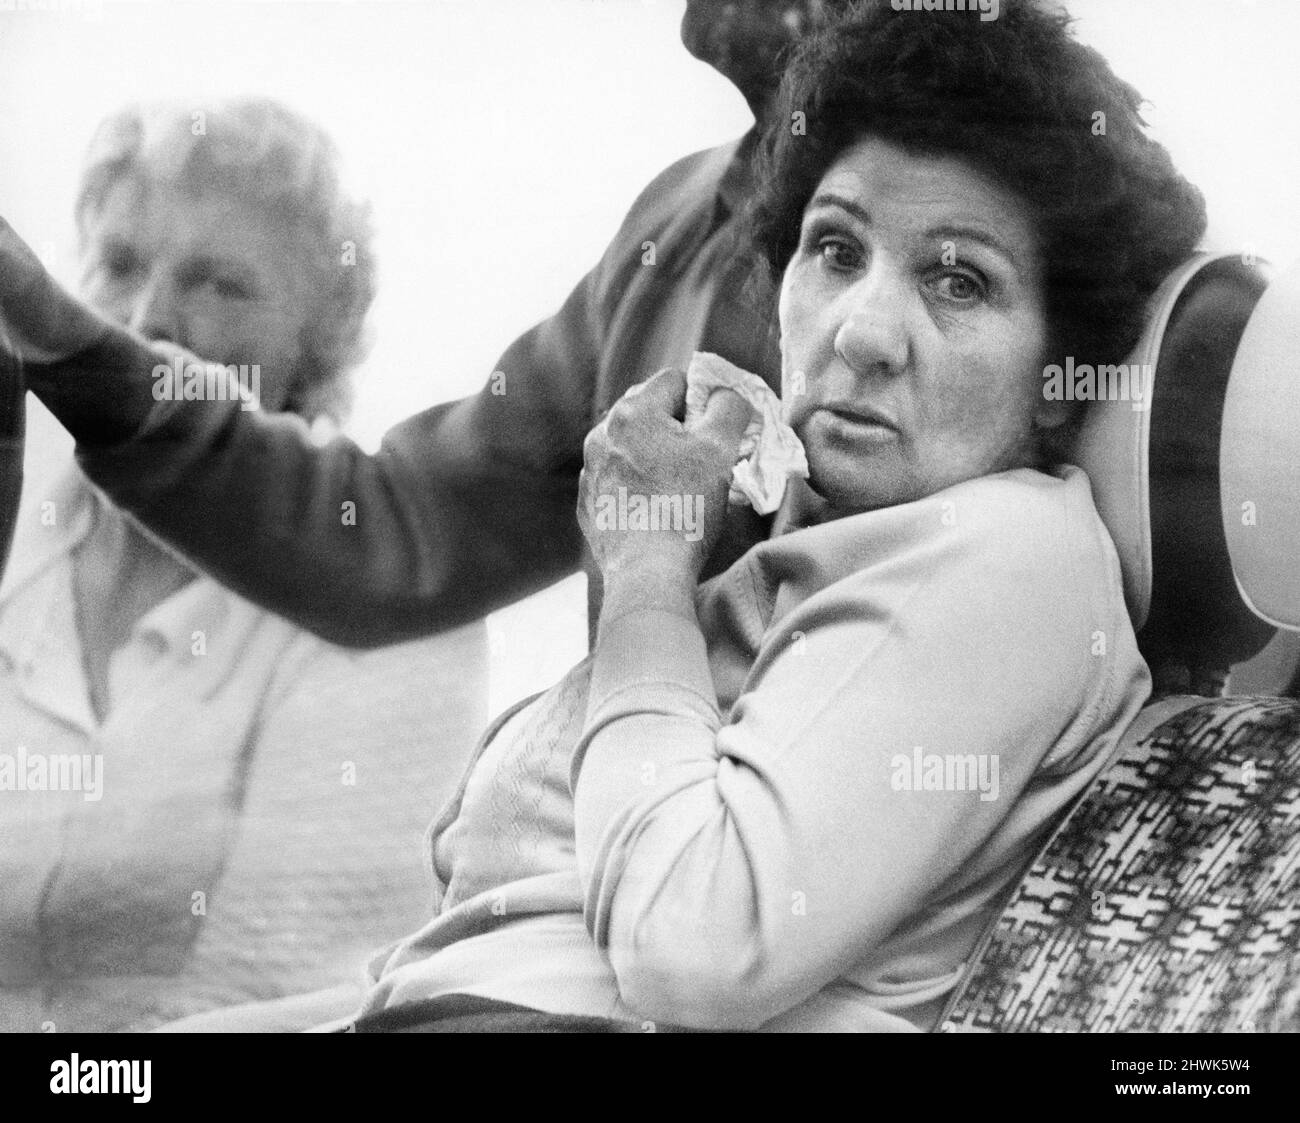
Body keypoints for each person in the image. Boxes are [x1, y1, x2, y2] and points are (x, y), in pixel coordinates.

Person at [176, 0, 1205, 1031]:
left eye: (958, 281)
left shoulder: (1008, 555)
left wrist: (646, 570)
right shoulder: (833, 539)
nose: (861, 332)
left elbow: (690, 945)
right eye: (836, 250)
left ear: (1061, 381)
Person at [0, 1, 847, 647]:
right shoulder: (681, 223)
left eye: (222, 283)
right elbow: (402, 528)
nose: (156, 310)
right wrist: (61, 340)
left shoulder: (972, 227)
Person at [0, 99, 488, 1032]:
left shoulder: (386, 589)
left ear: (315, 342)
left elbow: (278, 996)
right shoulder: (15, 509)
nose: (149, 320)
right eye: (120, 263)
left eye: (219, 283)